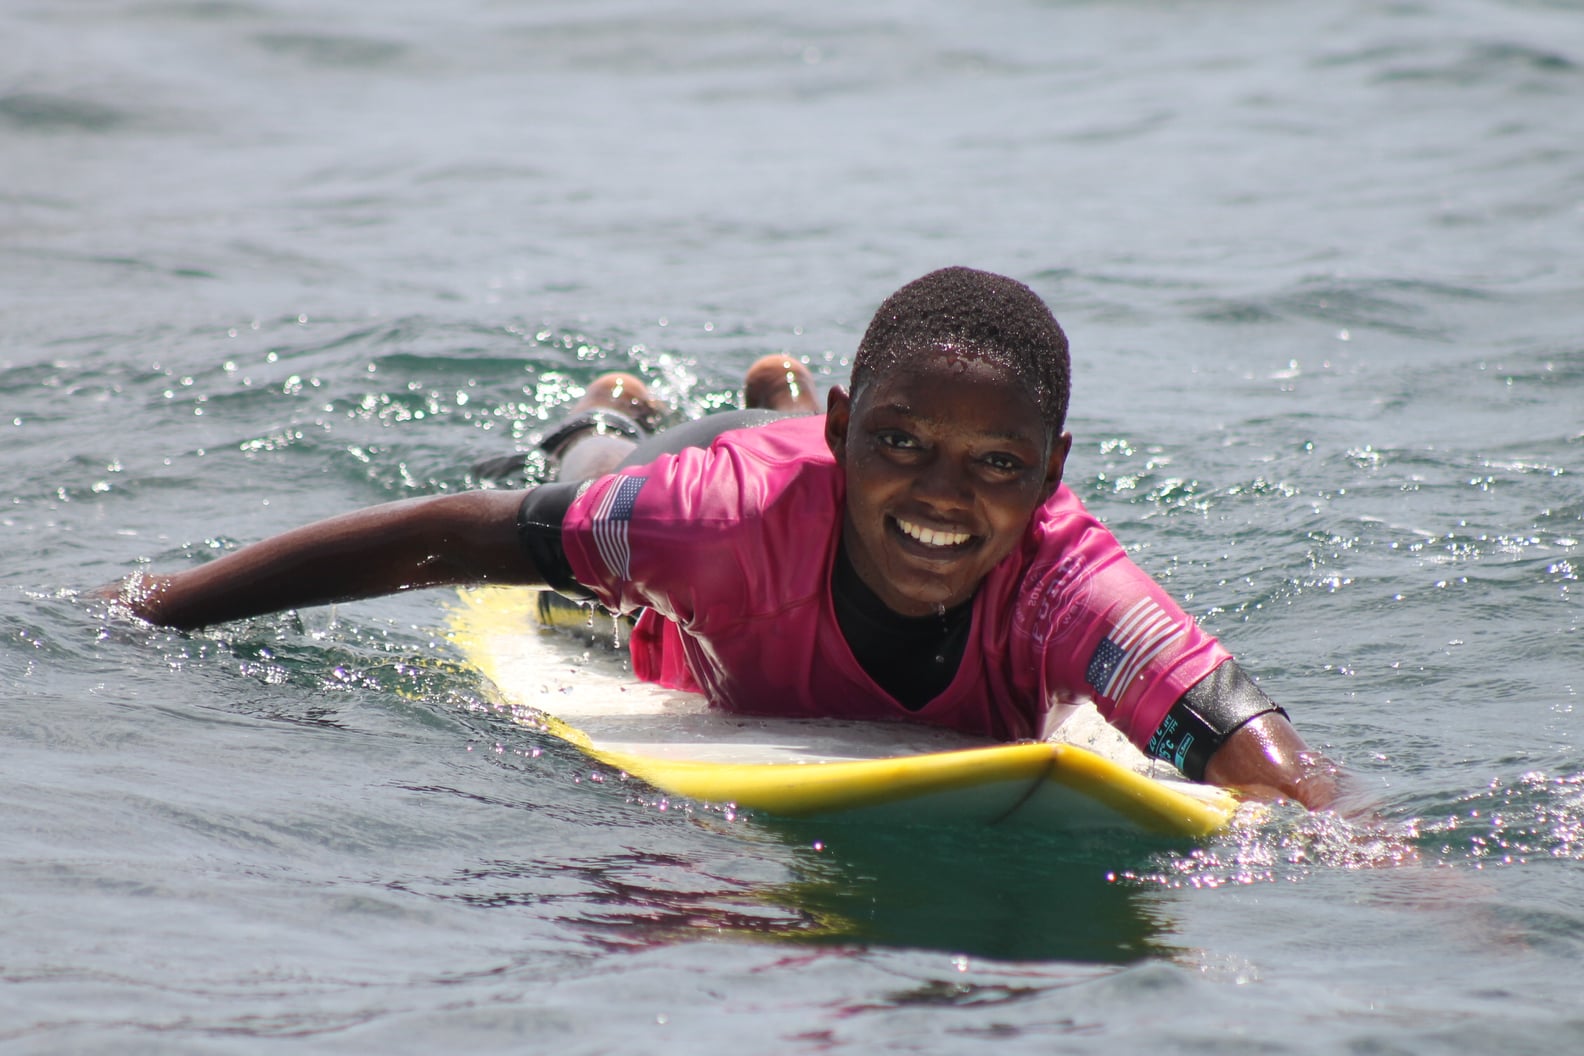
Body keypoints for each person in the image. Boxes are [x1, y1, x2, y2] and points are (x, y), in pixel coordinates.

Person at [102, 267, 1345, 811]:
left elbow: (1257, 745)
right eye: (904, 440)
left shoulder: (1073, 589)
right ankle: (618, 404)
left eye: (1002, 467)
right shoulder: (703, 523)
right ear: (857, 431)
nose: (951, 499)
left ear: (1055, 475)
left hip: (814, 464)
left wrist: (1395, 874)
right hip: (711, 501)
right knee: (598, 486)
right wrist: (166, 604)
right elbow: (459, 537)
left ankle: (788, 397)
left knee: (879, 490)